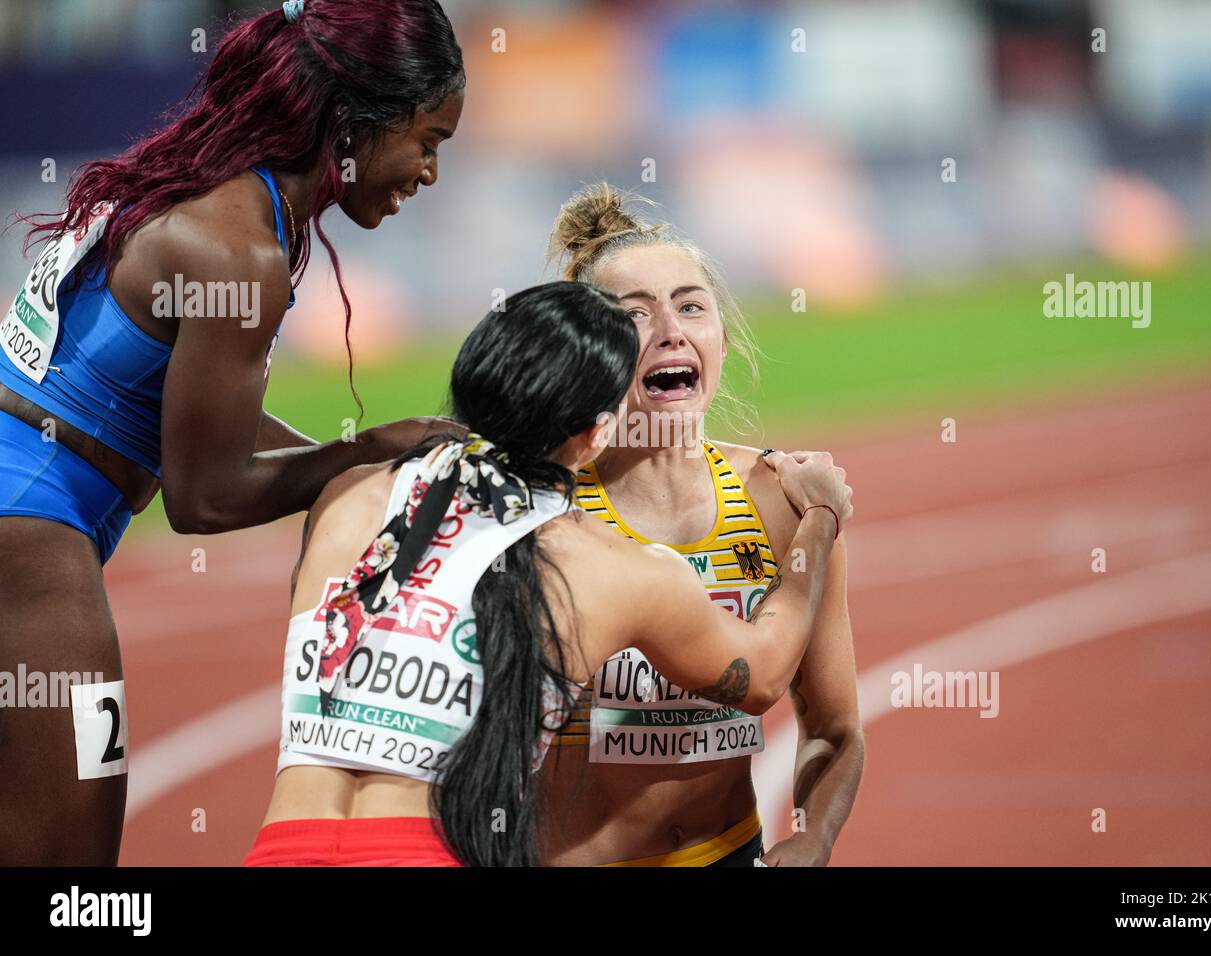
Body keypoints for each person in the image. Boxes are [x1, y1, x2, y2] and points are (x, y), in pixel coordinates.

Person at [0, 0, 466, 865]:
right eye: (428, 141)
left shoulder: (215, 191)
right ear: (354, 122)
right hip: (27, 533)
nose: (431, 173)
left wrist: (361, 463)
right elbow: (203, 497)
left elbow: (206, 415)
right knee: (76, 875)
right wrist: (367, 454)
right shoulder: (237, 251)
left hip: (25, 507)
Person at [245, 281, 852, 866]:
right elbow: (763, 673)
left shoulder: (346, 498)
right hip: (433, 851)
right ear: (596, 433)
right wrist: (821, 517)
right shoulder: (609, 567)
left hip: (281, 845)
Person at [538, 184, 864, 867]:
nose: (671, 330)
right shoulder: (545, 512)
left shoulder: (788, 504)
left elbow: (833, 729)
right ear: (588, 349)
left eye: (691, 306)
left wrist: (811, 835)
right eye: (635, 315)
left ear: (721, 334)